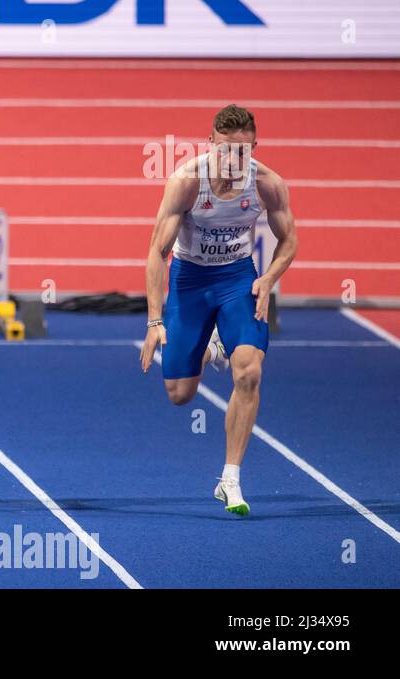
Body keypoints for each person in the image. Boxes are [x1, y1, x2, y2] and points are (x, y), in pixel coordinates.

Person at [140, 104, 298, 516]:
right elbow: (157, 252)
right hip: (189, 282)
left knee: (249, 371)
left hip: (236, 280)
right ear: (210, 143)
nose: (233, 158)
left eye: (242, 150)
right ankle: (213, 348)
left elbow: (289, 240)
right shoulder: (187, 182)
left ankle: (230, 479)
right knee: (180, 394)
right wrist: (154, 321)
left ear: (254, 147)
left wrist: (269, 278)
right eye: (225, 149)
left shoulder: (267, 184)